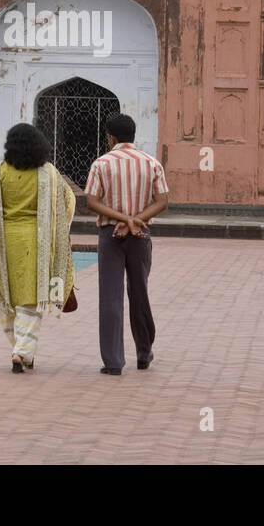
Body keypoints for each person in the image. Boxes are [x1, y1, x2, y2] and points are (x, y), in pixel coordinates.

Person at [0, 123, 76, 373]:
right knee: (30, 299)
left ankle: (20, 349)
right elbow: (68, 203)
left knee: (10, 298)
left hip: (5, 243)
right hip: (36, 244)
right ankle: (22, 352)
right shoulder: (49, 173)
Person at [84, 113, 169, 375]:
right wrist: (136, 220)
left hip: (111, 235)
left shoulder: (102, 163)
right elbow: (162, 200)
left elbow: (92, 201)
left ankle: (113, 362)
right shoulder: (151, 163)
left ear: (110, 136)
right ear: (133, 134)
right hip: (140, 236)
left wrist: (122, 219)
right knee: (139, 293)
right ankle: (144, 352)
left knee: (110, 297)